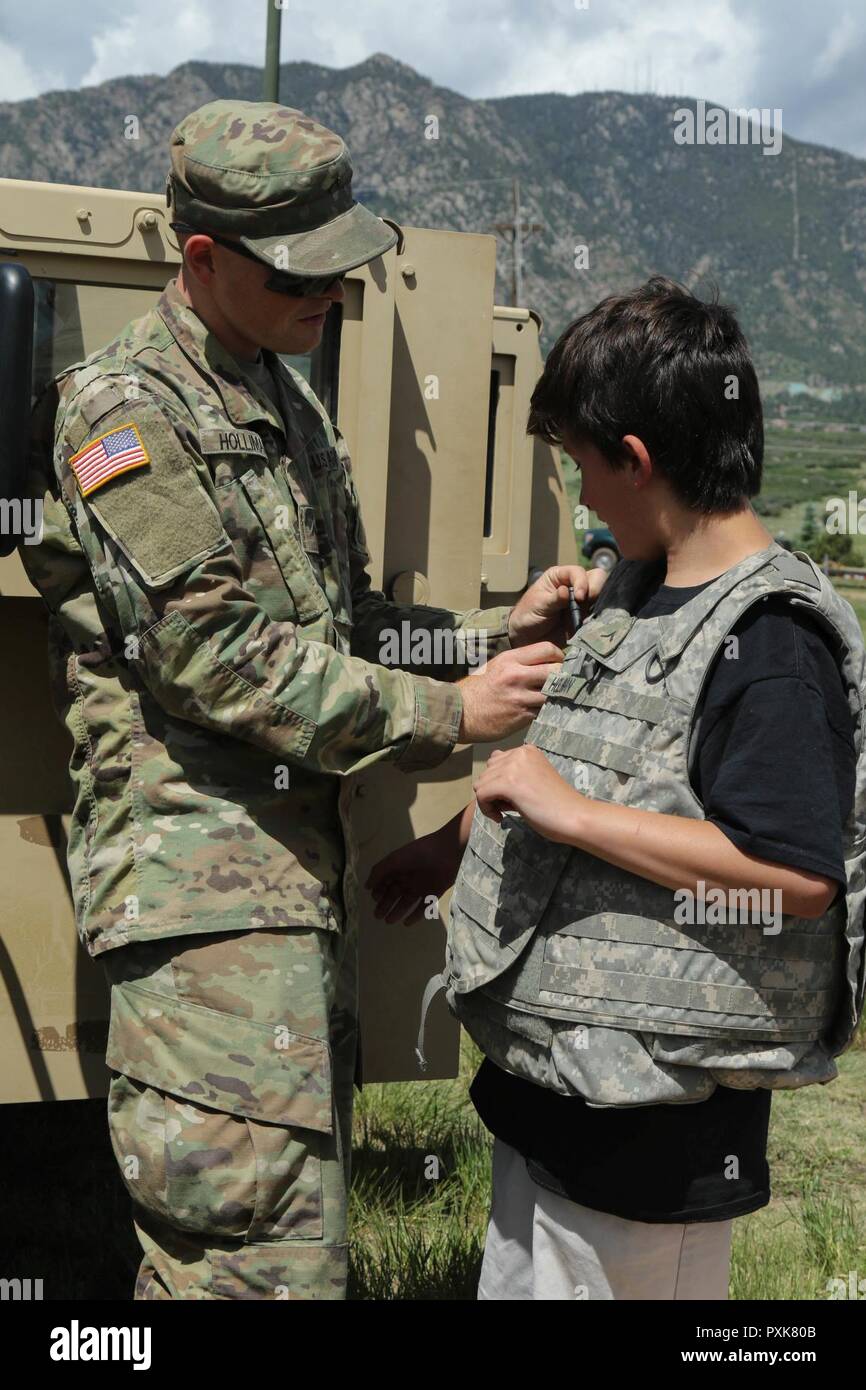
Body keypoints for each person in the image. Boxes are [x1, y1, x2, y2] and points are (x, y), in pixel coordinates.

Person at [21, 98, 596, 1301]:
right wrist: (453, 717)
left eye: (340, 271)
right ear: (200, 260)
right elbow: (211, 654)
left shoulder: (283, 397)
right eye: (299, 276)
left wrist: (496, 639)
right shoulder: (124, 413)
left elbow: (345, 626)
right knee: (253, 1270)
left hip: (282, 892)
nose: (326, 297)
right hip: (203, 909)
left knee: (291, 1250)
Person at [368, 276, 866, 1301]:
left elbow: (793, 873)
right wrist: (449, 843)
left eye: (581, 469)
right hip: (554, 1095)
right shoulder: (634, 587)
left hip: (655, 1132)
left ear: (634, 461)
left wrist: (572, 817)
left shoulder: (768, 643)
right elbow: (575, 761)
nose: (581, 498)